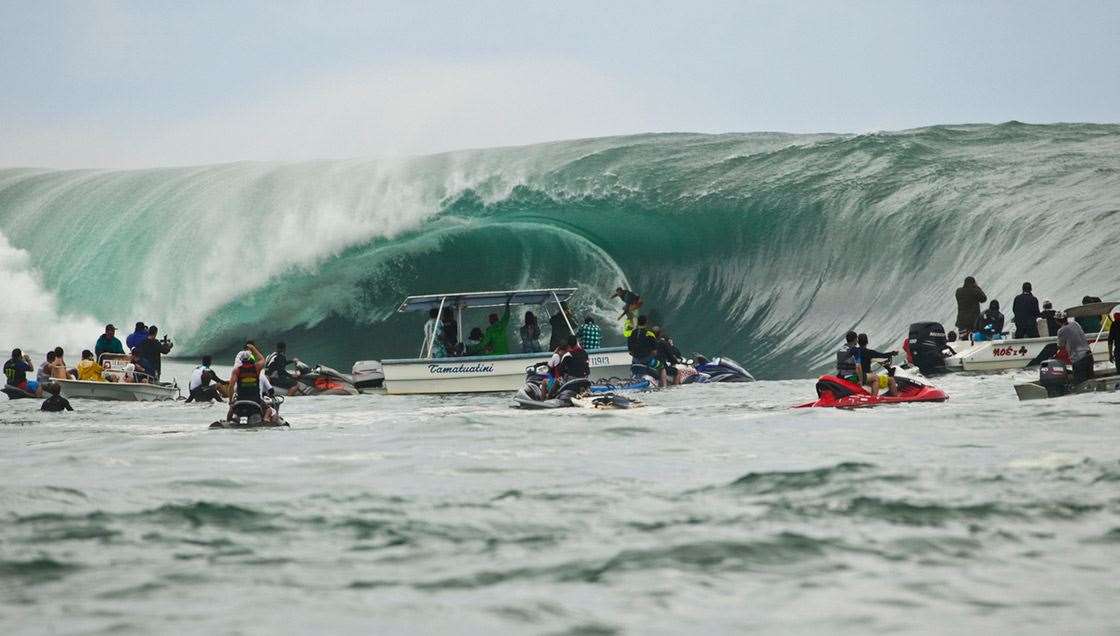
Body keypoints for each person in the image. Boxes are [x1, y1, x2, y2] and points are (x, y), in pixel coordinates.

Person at [228, 348, 275, 423]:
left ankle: (228, 421)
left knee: (231, 410)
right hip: (256, 401)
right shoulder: (256, 368)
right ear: (251, 359)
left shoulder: (236, 371)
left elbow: (231, 387)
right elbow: (263, 359)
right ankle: (265, 419)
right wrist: (253, 348)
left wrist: (230, 401)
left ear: (241, 360)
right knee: (269, 409)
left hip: (240, 400)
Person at [1056, 314, 1094, 384]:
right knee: (1091, 382)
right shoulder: (1075, 324)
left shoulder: (1061, 330)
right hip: (1089, 355)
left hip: (1078, 358)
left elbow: (1060, 345)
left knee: (1081, 384)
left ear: (1057, 321)